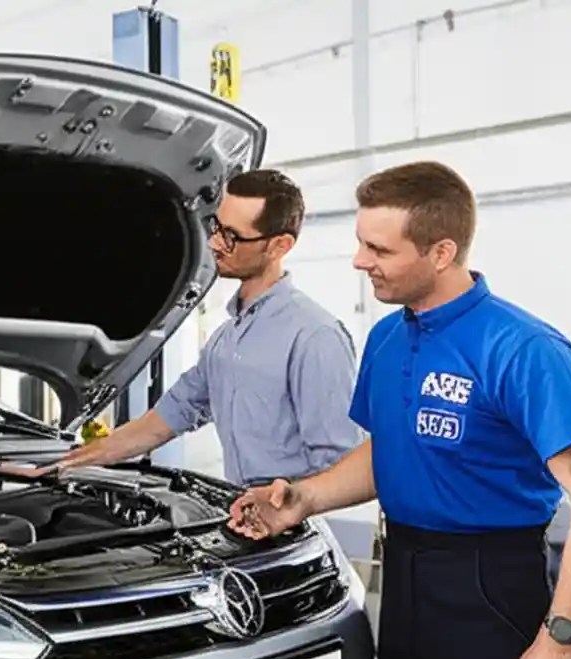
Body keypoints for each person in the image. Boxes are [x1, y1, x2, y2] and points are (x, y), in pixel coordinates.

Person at [228, 161, 571, 659]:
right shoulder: (388, 337)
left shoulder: (522, 350)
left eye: (379, 249)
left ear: (441, 253)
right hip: (403, 582)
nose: (359, 261)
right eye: (360, 242)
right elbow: (391, 450)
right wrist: (302, 499)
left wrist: (558, 643)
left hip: (490, 587)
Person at [53, 169, 361, 486]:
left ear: (279, 246)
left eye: (231, 236)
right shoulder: (225, 340)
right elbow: (167, 417)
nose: (214, 243)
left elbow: (341, 466)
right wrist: (65, 462)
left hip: (297, 526)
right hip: (242, 512)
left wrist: (286, 509)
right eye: (215, 226)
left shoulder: (315, 337)